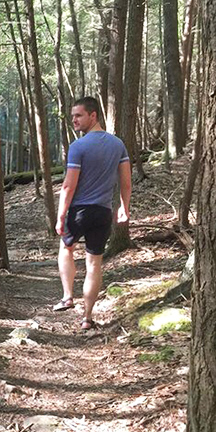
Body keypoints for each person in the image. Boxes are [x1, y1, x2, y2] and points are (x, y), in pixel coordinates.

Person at [53, 96, 132, 330]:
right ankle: (87, 318)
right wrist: (124, 208)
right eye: (72, 116)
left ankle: (68, 296)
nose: (74, 120)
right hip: (104, 212)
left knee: (66, 249)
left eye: (78, 115)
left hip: (79, 211)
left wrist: (60, 215)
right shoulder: (118, 144)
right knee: (94, 263)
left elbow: (69, 185)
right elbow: (126, 182)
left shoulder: (78, 147)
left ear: (93, 115)